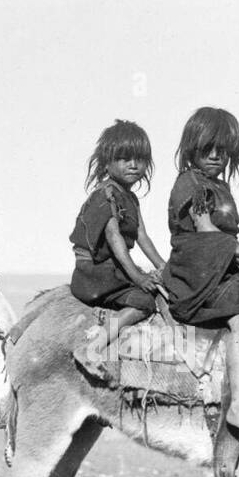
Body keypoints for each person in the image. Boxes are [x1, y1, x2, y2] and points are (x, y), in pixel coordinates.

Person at [160, 108, 239, 441]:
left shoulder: (219, 185)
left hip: (218, 264)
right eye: (206, 148)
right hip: (195, 274)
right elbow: (206, 228)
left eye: (222, 150)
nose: (215, 155)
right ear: (191, 148)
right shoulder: (191, 183)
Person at [69, 120, 167, 366]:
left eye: (139, 159)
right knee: (145, 303)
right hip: (94, 273)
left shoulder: (130, 197)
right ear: (108, 162)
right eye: (124, 159)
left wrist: (163, 267)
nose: (133, 165)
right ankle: (93, 348)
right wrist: (138, 277)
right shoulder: (106, 195)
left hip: (112, 269)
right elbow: (114, 239)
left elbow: (142, 235)